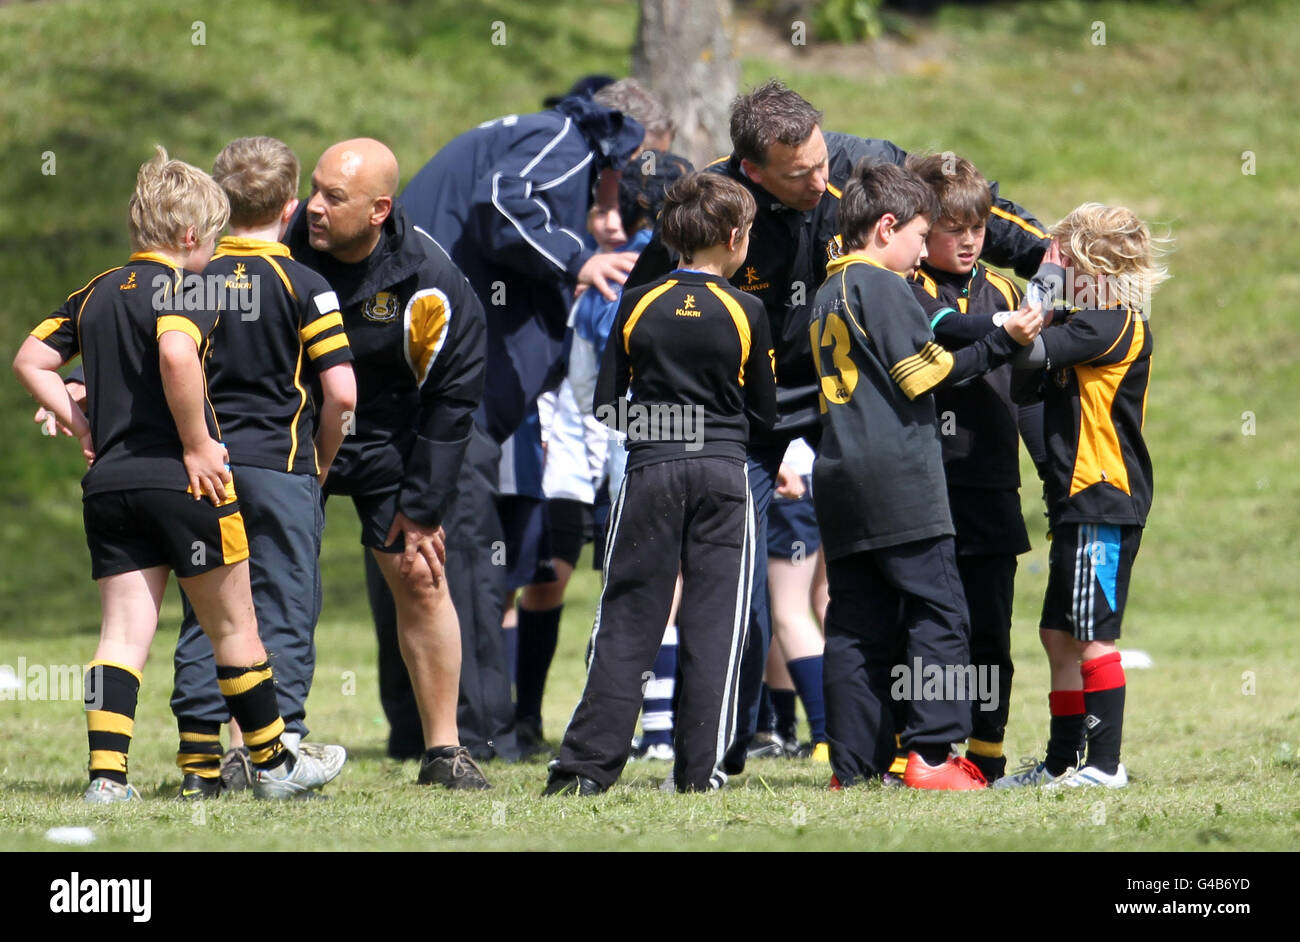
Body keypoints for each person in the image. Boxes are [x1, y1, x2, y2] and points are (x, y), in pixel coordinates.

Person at [624, 80, 1050, 773]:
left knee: (865, 596)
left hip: (850, 408)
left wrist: (1052, 262)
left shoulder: (864, 167)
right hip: (752, 412)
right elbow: (652, 299)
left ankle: (879, 754)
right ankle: (725, 749)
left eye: (825, 162)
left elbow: (966, 213)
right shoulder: (714, 204)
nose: (823, 183)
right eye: (801, 175)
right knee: (739, 578)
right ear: (751, 172)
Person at [12, 147, 344, 801]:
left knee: (122, 635)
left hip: (109, 484)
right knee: (234, 625)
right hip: (183, 483)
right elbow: (173, 352)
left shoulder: (96, 290)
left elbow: (30, 359)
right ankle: (274, 763)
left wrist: (81, 425)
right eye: (211, 242)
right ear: (191, 236)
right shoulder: (185, 288)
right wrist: (196, 443)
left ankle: (108, 779)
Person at [387, 79, 656, 760]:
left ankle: (412, 727)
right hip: (453, 389)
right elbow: (505, 204)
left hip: (414, 373)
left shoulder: (521, 133)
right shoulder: (562, 140)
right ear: (619, 156)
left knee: (401, 546)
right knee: (467, 555)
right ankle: (479, 731)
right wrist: (579, 260)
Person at [809, 161, 1041, 790]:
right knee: (942, 614)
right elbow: (921, 374)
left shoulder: (825, 292)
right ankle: (933, 760)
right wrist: (999, 343)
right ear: (888, 228)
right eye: (920, 234)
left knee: (855, 626)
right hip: (900, 479)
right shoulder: (884, 285)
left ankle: (850, 768)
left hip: (839, 476)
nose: (919, 254)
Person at [544, 172, 777, 794]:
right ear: (735, 238)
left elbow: (606, 405)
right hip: (724, 474)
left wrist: (663, 425)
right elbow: (764, 413)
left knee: (627, 616)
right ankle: (698, 773)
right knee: (715, 621)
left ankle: (584, 770)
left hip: (649, 470)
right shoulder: (748, 308)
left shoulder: (637, 300)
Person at [283, 138, 492, 789]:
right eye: (314, 189)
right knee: (273, 582)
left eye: (332, 197)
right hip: (292, 434)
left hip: (389, 439)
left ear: (379, 210)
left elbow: (455, 390)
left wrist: (423, 504)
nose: (312, 207)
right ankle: (265, 746)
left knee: (422, 576)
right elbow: (194, 316)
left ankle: (444, 753)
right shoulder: (276, 252)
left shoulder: (427, 273)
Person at [167, 136, 357, 798]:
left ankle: (197, 762)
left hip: (203, 471)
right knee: (282, 605)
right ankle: (278, 749)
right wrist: (322, 462)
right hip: (282, 469)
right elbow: (342, 394)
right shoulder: (307, 284)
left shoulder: (194, 280)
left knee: (207, 611)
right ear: (293, 206)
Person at [996, 204, 1168, 790]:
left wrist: (1039, 292)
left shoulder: (1112, 322)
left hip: (1103, 495)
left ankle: (1104, 765)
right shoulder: (1084, 320)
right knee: (1057, 633)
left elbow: (1028, 354)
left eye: (1063, 259)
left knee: (1093, 634)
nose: (1054, 269)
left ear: (1091, 266)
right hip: (1075, 498)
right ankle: (1062, 761)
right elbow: (1024, 383)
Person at [905, 152, 1032, 784]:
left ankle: (986, 751)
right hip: (926, 482)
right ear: (922, 228)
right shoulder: (906, 285)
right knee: (927, 625)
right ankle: (922, 746)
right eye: (954, 227)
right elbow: (948, 328)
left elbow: (1030, 382)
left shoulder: (1005, 286)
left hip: (989, 482)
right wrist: (1006, 328)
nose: (970, 238)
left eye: (978, 225)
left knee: (990, 626)